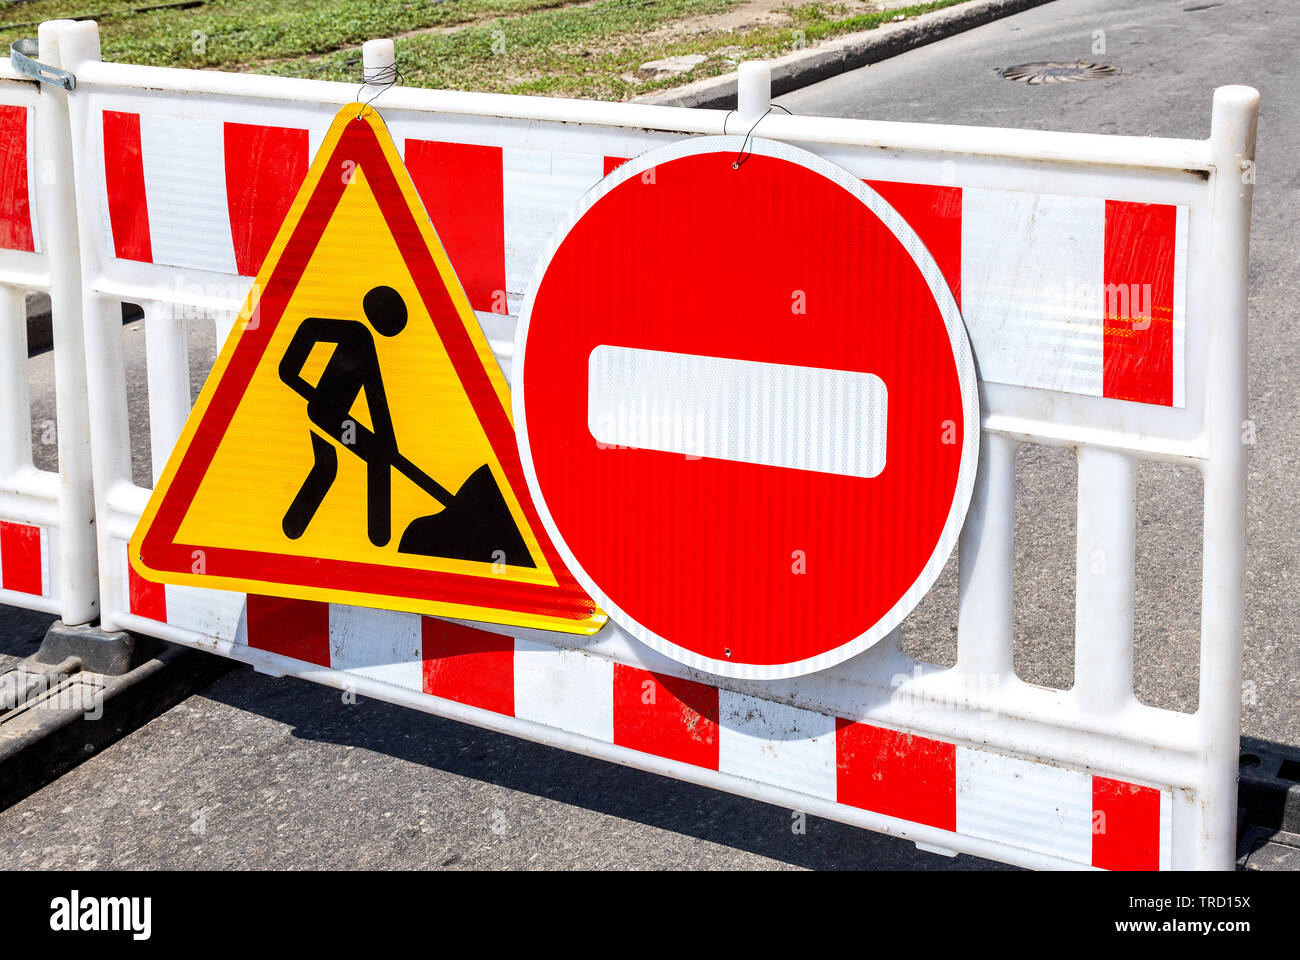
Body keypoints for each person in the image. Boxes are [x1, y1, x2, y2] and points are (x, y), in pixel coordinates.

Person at [278, 285, 407, 547]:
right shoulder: (356, 333)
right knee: (335, 465)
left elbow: (375, 396)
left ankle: (378, 538)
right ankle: (378, 536)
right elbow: (302, 341)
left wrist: (387, 441)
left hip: (331, 415)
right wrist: (302, 387)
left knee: (333, 465)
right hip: (326, 413)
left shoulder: (363, 338)